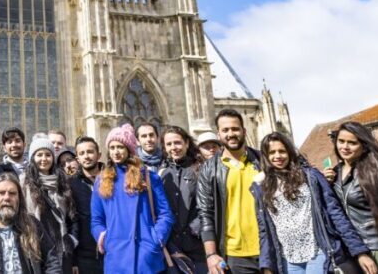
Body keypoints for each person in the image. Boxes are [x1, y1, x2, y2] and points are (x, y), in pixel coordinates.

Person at [251, 132, 377, 274]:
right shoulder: (261, 186)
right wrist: (267, 265)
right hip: (287, 258)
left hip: (317, 252)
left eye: (282, 151)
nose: (277, 156)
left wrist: (359, 252)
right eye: (272, 152)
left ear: (290, 152)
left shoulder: (310, 176)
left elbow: (335, 213)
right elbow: (264, 230)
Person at [324, 121, 378, 273]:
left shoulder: (375, 171)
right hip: (351, 251)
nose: (344, 147)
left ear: (363, 146)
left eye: (352, 143)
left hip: (377, 248)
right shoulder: (335, 173)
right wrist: (326, 184)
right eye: (341, 141)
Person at [91, 123, 174, 273]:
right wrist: (104, 238)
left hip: (145, 255)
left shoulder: (148, 177)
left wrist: (156, 239)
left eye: (120, 147)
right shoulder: (101, 180)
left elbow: (165, 213)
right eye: (112, 147)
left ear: (129, 150)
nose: (116, 152)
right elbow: (97, 219)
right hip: (116, 256)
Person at [197, 108, 262, 274]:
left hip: (269, 249)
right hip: (234, 256)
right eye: (225, 130)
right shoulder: (208, 169)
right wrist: (211, 254)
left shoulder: (263, 161)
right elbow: (206, 213)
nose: (231, 134)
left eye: (235, 129)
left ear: (244, 131)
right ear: (218, 134)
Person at [21, 137, 77, 273]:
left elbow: (72, 216)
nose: (44, 159)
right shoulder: (23, 181)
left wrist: (72, 239)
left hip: (62, 246)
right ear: (32, 158)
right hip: (36, 244)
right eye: (39, 155)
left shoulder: (63, 181)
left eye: (48, 155)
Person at [159, 126, 207, 273]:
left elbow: (209, 206)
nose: (174, 147)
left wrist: (196, 228)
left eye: (178, 143)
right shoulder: (162, 174)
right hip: (173, 247)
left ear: (187, 143)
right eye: (169, 144)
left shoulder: (200, 169)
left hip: (198, 246)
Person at [70, 136, 104, 274]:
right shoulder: (70, 185)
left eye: (90, 152)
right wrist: (73, 260)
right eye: (82, 153)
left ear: (99, 155)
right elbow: (70, 222)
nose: (86, 156)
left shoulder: (113, 180)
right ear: (77, 159)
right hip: (85, 257)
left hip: (114, 252)